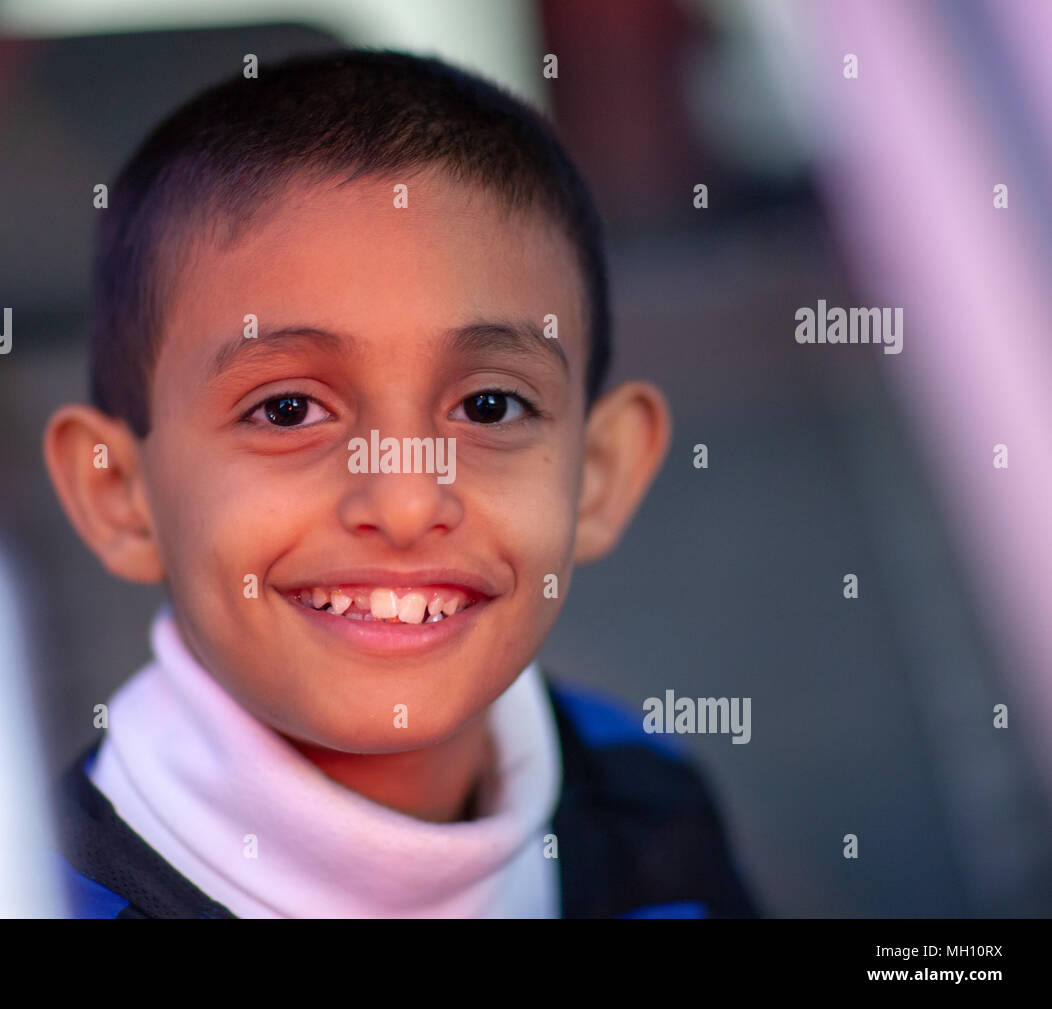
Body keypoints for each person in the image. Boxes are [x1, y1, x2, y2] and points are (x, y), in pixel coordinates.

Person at [42, 48, 757, 918]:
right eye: (288, 411)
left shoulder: (648, 802)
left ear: (598, 476)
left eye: (489, 406)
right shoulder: (18, 896)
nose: (407, 501)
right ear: (120, 493)